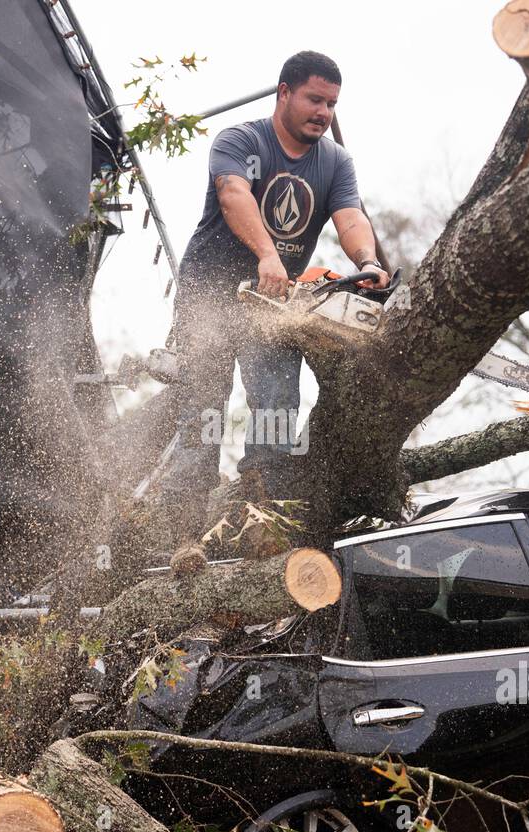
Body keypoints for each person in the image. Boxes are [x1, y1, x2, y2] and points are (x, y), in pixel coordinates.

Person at [166, 50, 388, 502]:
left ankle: (262, 505)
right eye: (314, 100)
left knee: (278, 400)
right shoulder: (241, 140)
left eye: (331, 104)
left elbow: (350, 216)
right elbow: (233, 195)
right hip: (208, 291)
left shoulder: (336, 162)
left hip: (274, 301)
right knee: (203, 408)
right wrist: (267, 253)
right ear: (284, 92)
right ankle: (178, 518)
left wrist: (368, 262)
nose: (323, 113)